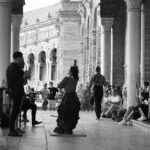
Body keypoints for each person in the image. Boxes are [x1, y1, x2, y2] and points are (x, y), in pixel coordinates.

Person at [6, 51, 30, 136]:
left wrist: (25, 76)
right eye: (22, 58)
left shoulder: (10, 67)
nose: (23, 60)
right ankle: (11, 130)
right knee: (15, 111)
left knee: (15, 111)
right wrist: (25, 76)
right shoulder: (16, 68)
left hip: (13, 92)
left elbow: (21, 82)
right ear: (19, 58)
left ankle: (14, 129)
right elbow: (22, 82)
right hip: (17, 92)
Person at [54, 60, 80, 134]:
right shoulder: (75, 79)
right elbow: (76, 72)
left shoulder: (67, 78)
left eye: (69, 70)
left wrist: (60, 85)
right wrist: (75, 64)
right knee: (71, 113)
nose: (68, 71)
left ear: (71, 72)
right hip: (74, 97)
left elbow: (59, 86)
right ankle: (69, 128)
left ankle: (63, 127)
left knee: (63, 112)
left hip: (68, 97)